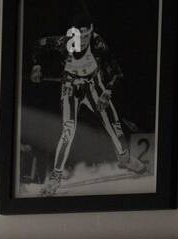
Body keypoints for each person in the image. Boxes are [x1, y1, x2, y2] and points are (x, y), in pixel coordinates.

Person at [29, 17, 144, 196]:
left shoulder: (98, 43)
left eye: (86, 36)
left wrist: (108, 91)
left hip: (94, 86)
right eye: (79, 36)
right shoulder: (63, 42)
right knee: (68, 130)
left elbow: (117, 71)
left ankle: (125, 159)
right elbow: (39, 44)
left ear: (91, 31)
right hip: (70, 88)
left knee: (113, 125)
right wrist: (36, 65)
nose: (82, 41)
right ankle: (55, 177)